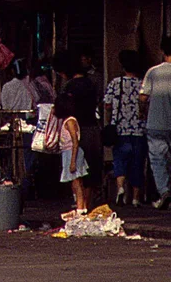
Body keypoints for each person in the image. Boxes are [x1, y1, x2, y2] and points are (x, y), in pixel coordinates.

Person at [104, 49, 147, 207]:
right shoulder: (143, 83)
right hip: (139, 129)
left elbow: (107, 104)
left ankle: (121, 188)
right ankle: (136, 197)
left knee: (120, 160)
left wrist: (111, 117)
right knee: (138, 162)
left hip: (120, 129)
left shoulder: (116, 83)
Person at [61, 55, 101, 204]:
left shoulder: (69, 87)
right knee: (90, 167)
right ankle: (87, 203)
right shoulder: (92, 83)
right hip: (92, 127)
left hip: (76, 129)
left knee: (77, 171)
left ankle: (80, 204)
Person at [140, 35, 171, 210]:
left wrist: (142, 113)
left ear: (162, 51)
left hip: (156, 123)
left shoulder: (153, 72)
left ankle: (164, 192)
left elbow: (143, 97)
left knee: (158, 161)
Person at [54, 94, 88, 216]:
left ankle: (80, 207)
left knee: (76, 181)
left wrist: (73, 160)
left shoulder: (70, 121)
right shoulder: (67, 121)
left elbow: (75, 141)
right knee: (76, 181)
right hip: (68, 152)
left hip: (72, 152)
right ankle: (81, 205)